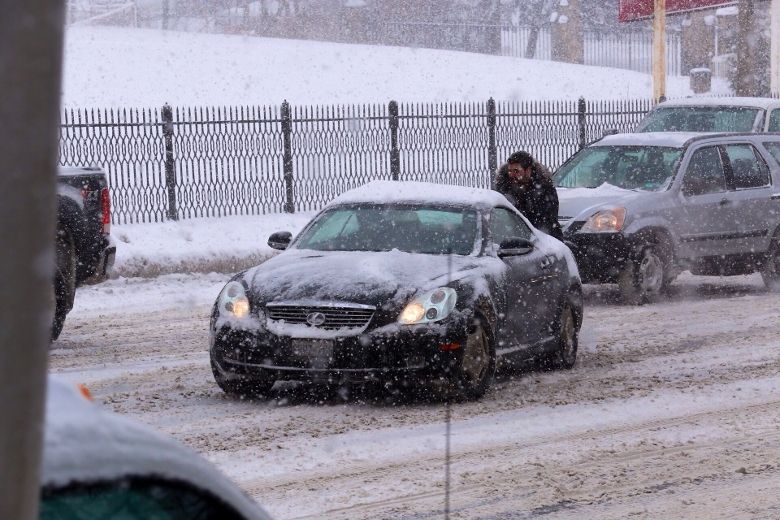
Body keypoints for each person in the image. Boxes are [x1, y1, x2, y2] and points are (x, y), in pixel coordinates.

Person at [494, 150, 563, 240]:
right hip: (510, 239)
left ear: (528, 170)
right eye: (510, 171)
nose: (512, 175)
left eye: (516, 171)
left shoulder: (545, 189)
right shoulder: (504, 188)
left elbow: (547, 221)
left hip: (544, 239)